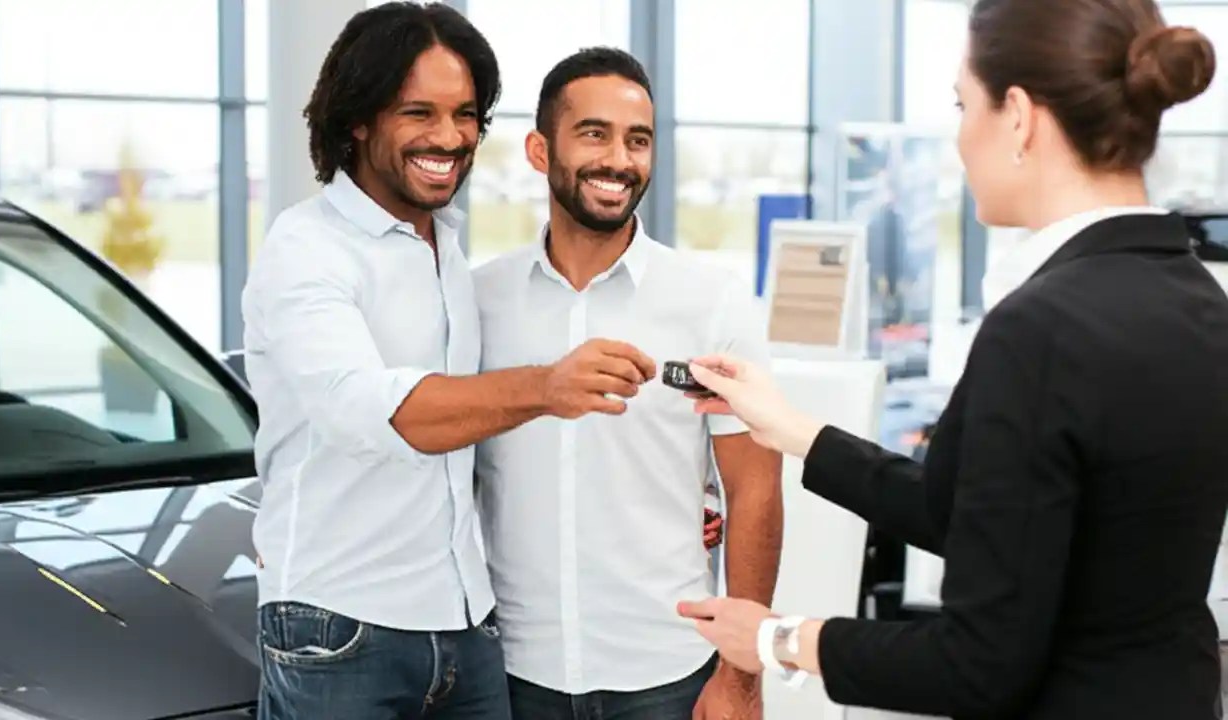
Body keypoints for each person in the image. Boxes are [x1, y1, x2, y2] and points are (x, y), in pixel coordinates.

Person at [676, 1, 1228, 719]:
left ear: (1020, 117)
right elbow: (978, 518)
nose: (961, 139)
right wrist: (789, 428)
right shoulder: (1201, 301)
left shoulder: (1038, 330)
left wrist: (778, 638)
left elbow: (977, 664)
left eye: (964, 105)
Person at [240, 6, 659, 719]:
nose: (449, 137)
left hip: (466, 623)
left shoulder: (450, 251)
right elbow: (366, 409)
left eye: (465, 114)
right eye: (418, 112)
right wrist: (547, 386)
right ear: (358, 121)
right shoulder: (305, 247)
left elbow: (480, 443)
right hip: (339, 627)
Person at [471, 47, 784, 720]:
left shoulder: (712, 302)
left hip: (669, 673)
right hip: (510, 674)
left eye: (638, 140)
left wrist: (742, 677)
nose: (619, 160)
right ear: (537, 149)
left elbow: (754, 491)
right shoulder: (480, 302)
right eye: (594, 133)